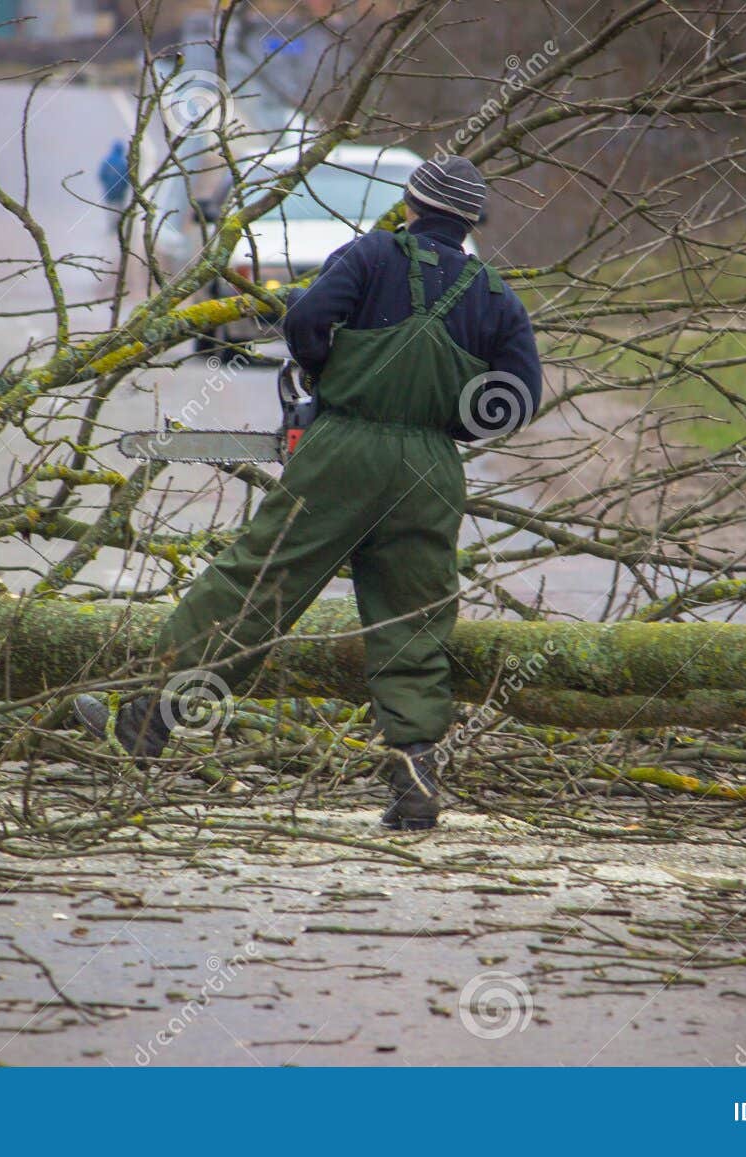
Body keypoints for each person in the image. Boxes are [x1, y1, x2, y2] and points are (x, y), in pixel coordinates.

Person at [77, 156, 542, 830]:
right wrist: (452, 424)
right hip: (430, 470)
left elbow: (305, 321)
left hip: (343, 449)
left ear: (411, 206)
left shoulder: (370, 254)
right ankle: (415, 778)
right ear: (469, 223)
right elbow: (518, 397)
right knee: (413, 618)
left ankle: (148, 720)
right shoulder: (495, 295)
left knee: (257, 583)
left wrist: (328, 378)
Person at [100, 140, 130, 211]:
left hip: (109, 193)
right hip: (121, 194)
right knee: (120, 211)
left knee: (110, 211)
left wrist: (107, 185)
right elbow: (127, 179)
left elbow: (101, 176)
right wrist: (124, 187)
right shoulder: (124, 163)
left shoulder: (107, 161)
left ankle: (112, 221)